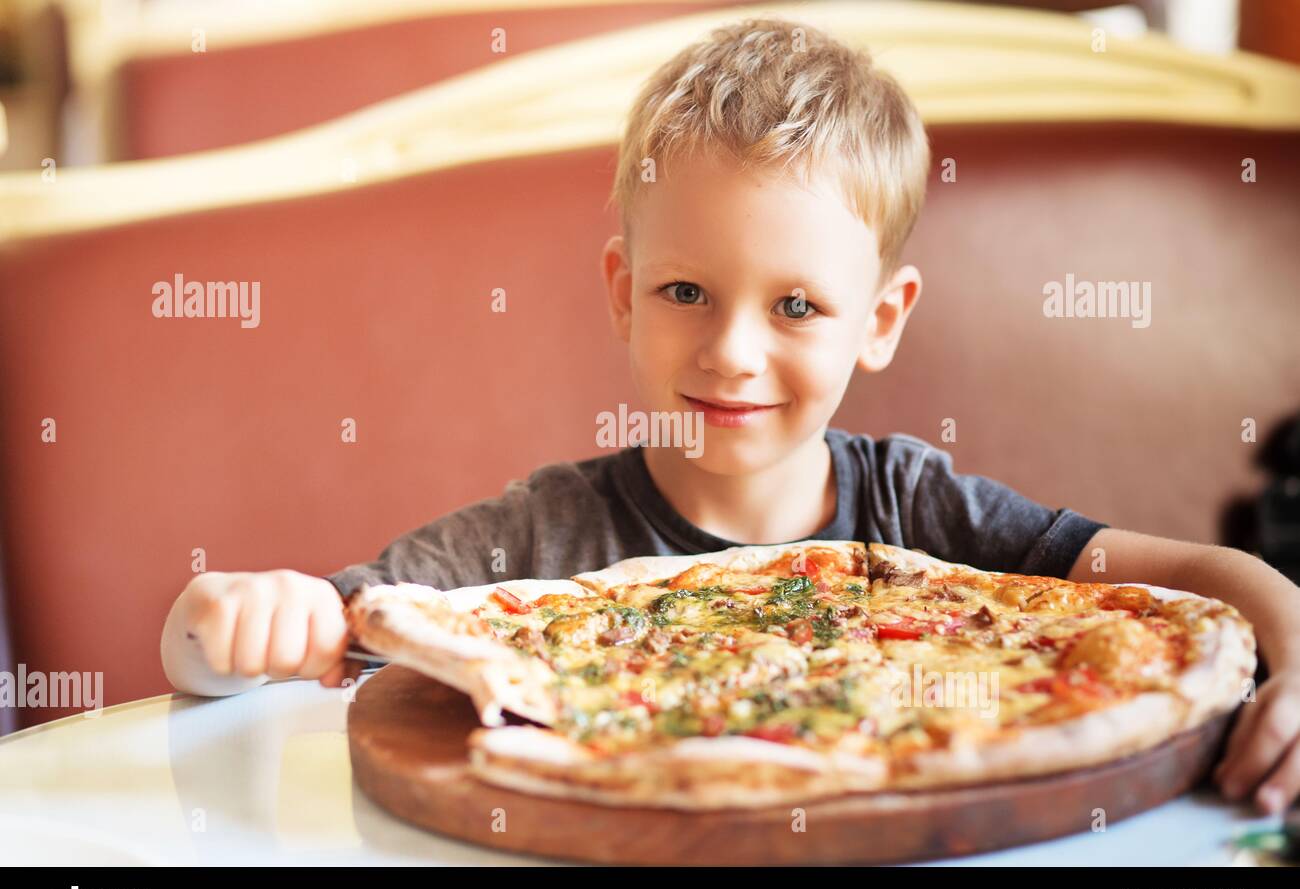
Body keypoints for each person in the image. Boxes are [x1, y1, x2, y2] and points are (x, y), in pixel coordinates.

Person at [160, 18, 1300, 814]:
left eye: (797, 305)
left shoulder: (916, 507)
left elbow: (1196, 582)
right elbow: (309, 634)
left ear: (881, 318)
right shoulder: (543, 545)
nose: (732, 352)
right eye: (684, 293)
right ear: (622, 291)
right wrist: (228, 620)